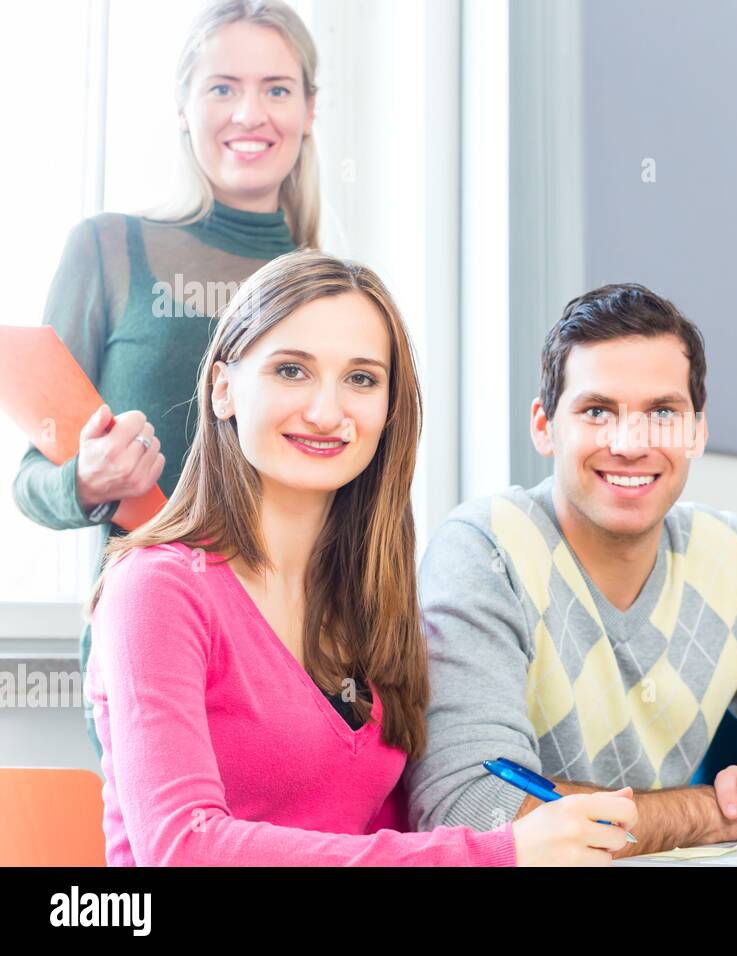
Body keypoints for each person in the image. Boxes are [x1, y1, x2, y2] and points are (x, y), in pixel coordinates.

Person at [85, 250, 637, 866]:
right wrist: (495, 854)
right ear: (223, 389)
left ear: (389, 408)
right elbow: (183, 850)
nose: (326, 411)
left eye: (361, 378)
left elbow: (387, 838)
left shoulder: (373, 602)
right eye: (291, 370)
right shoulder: (155, 590)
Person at [406, 283, 737, 857]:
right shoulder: (485, 551)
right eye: (596, 411)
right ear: (544, 426)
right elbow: (474, 807)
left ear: (698, 431)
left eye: (662, 412)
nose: (631, 443)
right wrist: (730, 813)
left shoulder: (731, 558)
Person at [13, 0, 320, 757]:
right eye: (222, 87)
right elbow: (32, 481)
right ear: (183, 107)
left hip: (303, 637)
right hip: (153, 633)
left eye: (277, 88)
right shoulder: (108, 250)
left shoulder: (329, 284)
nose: (250, 112)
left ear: (310, 110)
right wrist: (85, 480)